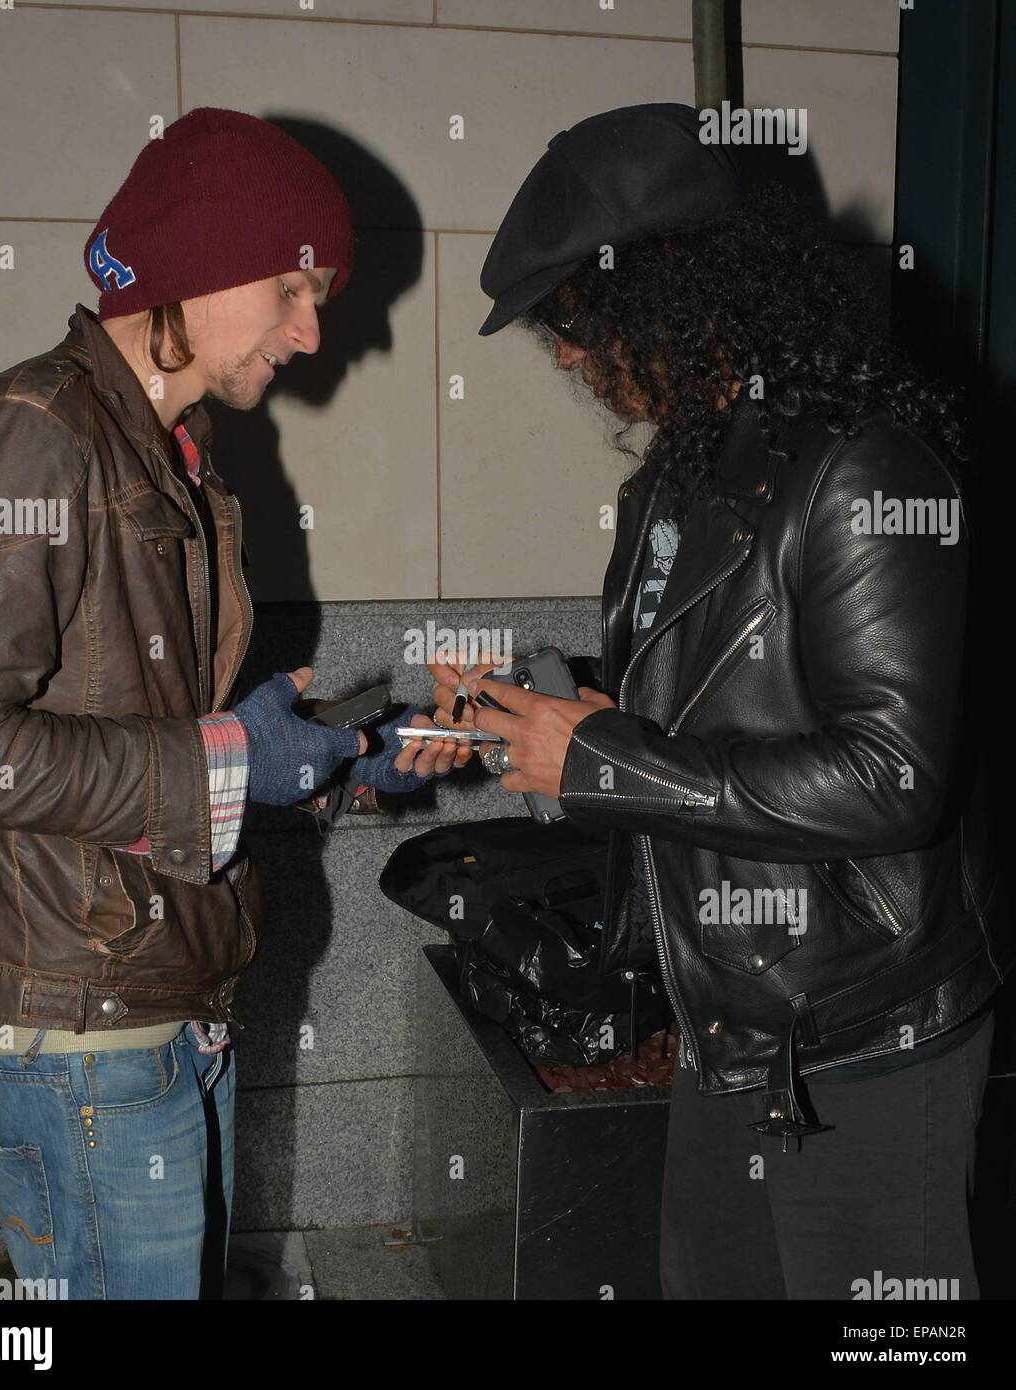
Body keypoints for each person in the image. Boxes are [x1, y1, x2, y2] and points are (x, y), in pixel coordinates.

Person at [430, 103, 1009, 1300]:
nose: (572, 363)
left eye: (580, 329)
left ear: (679, 295)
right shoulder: (679, 476)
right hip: (732, 1027)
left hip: (863, 1038)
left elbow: (889, 777)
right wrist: (534, 722)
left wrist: (597, 761)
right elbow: (689, 717)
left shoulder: (865, 468)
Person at [0, 107, 456, 1300]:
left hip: (160, 1001)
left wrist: (342, 756)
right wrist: (219, 753)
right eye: (292, 287)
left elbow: (166, 733)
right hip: (80, 1026)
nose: (312, 333)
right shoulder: (29, 440)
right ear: (197, 272)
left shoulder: (169, 458)